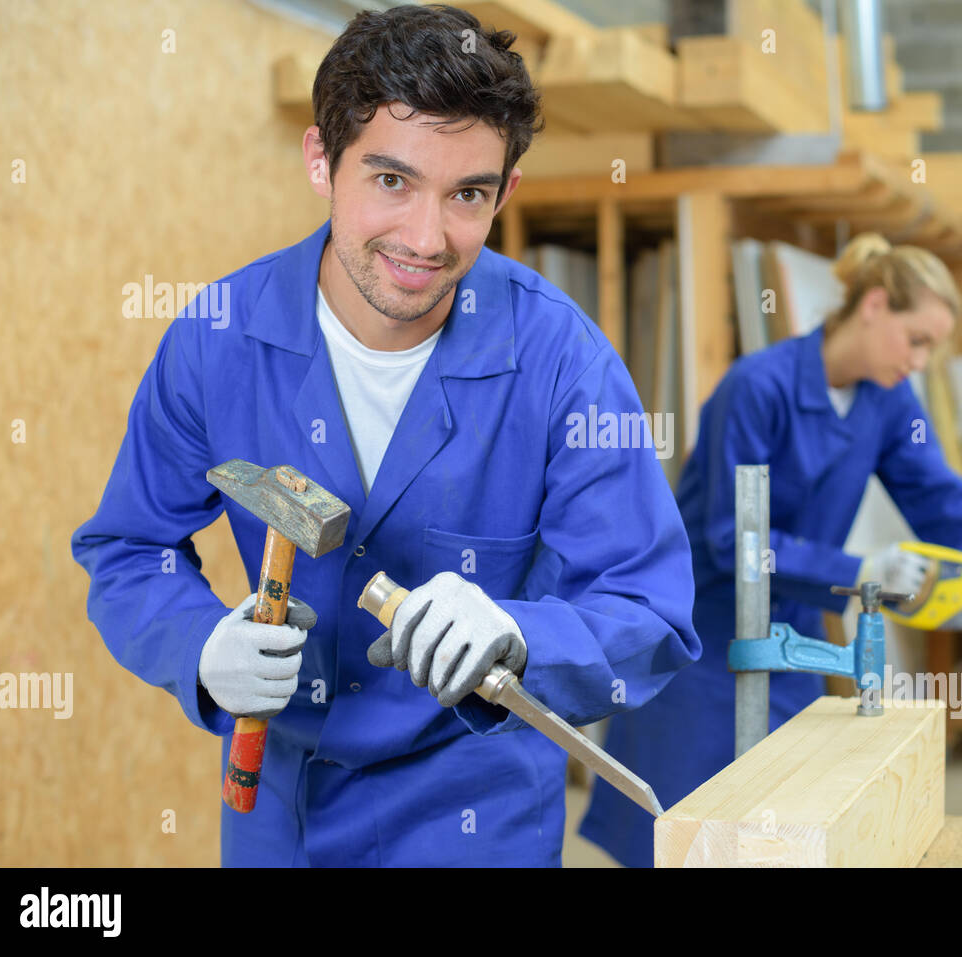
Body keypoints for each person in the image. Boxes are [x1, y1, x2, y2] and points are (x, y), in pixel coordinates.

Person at [71, 4, 698, 867]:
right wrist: (199, 646)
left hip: (478, 808)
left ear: (505, 194)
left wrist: (520, 636)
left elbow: (649, 612)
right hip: (279, 806)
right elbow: (128, 548)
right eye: (393, 181)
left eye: (468, 194)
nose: (425, 238)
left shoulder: (561, 361)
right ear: (321, 163)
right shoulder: (217, 338)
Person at [580, 233, 962, 867]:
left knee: (785, 822)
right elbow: (734, 540)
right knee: (684, 831)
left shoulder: (887, 400)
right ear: (872, 306)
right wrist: (859, 570)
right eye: (916, 339)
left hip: (792, 634)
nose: (922, 361)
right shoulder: (758, 386)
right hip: (700, 638)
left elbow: (940, 502)